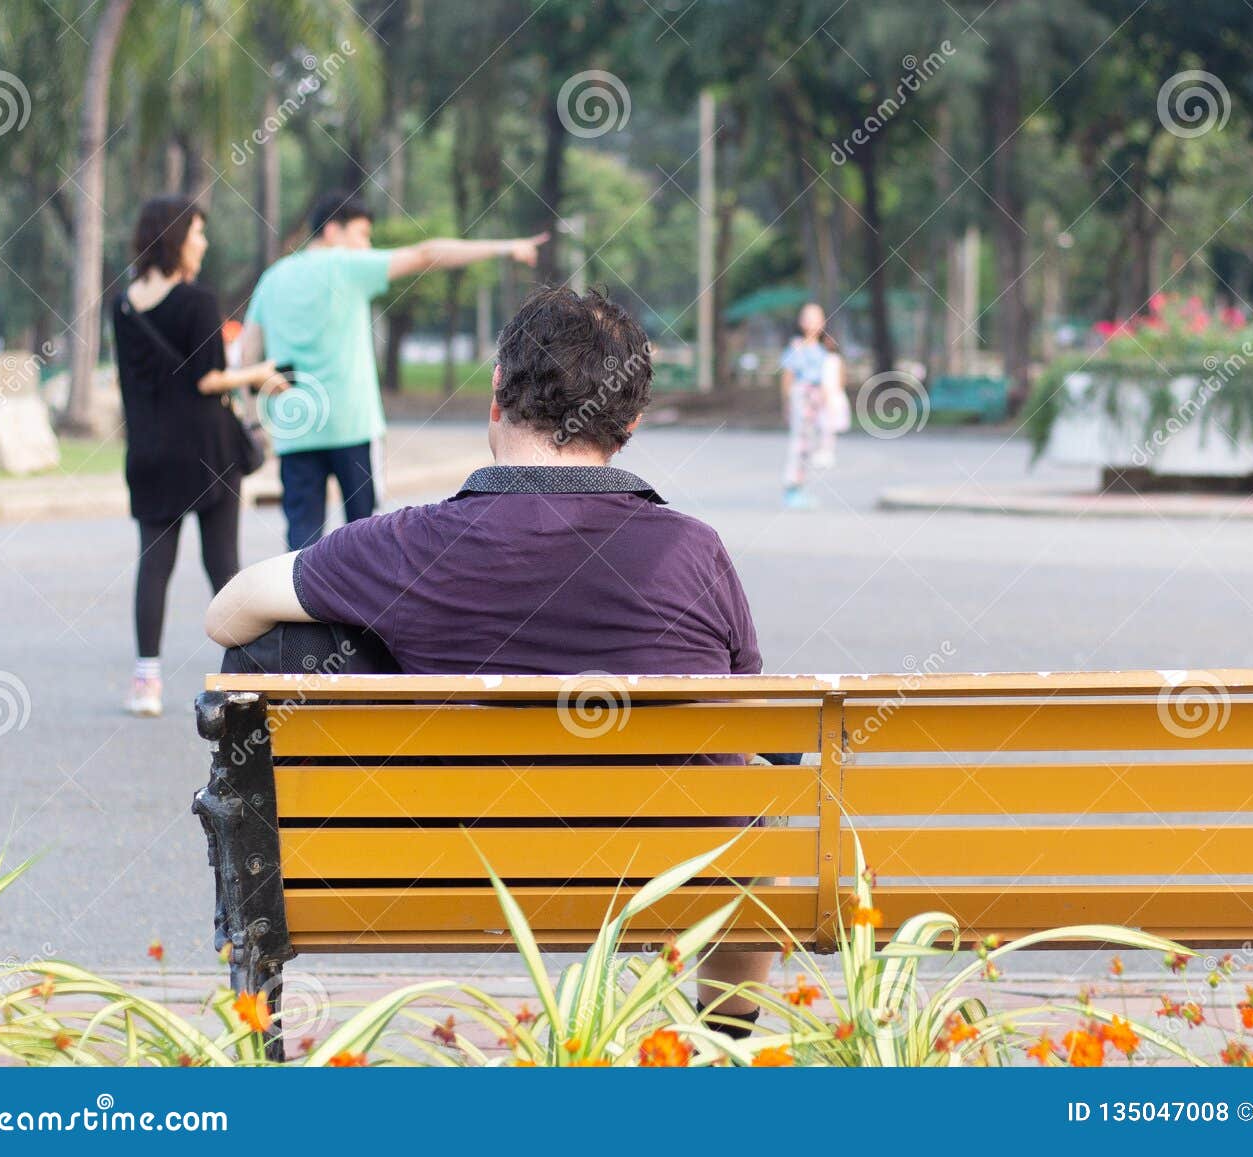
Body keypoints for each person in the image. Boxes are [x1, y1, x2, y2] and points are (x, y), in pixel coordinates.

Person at [206, 285, 774, 1035]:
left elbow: (228, 612)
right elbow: (762, 722)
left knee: (280, 644)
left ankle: (263, 1024)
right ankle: (723, 1045)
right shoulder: (694, 550)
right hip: (669, 873)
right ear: (631, 420)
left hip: (451, 870)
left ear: (497, 396)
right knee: (759, 809)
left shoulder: (403, 545)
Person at [239, 190, 548, 550]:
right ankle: (354, 607)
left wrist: (254, 420)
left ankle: (302, 604)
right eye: (362, 234)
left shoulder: (273, 277)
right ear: (332, 232)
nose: (367, 245)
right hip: (351, 426)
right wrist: (505, 248)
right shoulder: (347, 266)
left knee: (301, 539)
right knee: (365, 538)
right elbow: (427, 254)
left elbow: (248, 355)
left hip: (295, 430)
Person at [112, 195, 289, 718]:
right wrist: (258, 375)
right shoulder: (198, 300)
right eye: (197, 234)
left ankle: (146, 681)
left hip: (149, 453)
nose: (203, 243)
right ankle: (245, 679)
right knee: (224, 566)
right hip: (208, 451)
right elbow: (207, 378)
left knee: (155, 565)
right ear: (174, 239)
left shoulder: (122, 304)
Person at [778, 301, 842, 509]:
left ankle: (800, 485)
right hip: (802, 396)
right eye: (808, 317)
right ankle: (792, 486)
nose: (812, 322)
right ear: (801, 321)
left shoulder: (824, 349)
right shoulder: (797, 347)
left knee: (812, 442)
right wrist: (787, 402)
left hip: (818, 398)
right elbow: (787, 377)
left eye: (816, 317)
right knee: (800, 442)